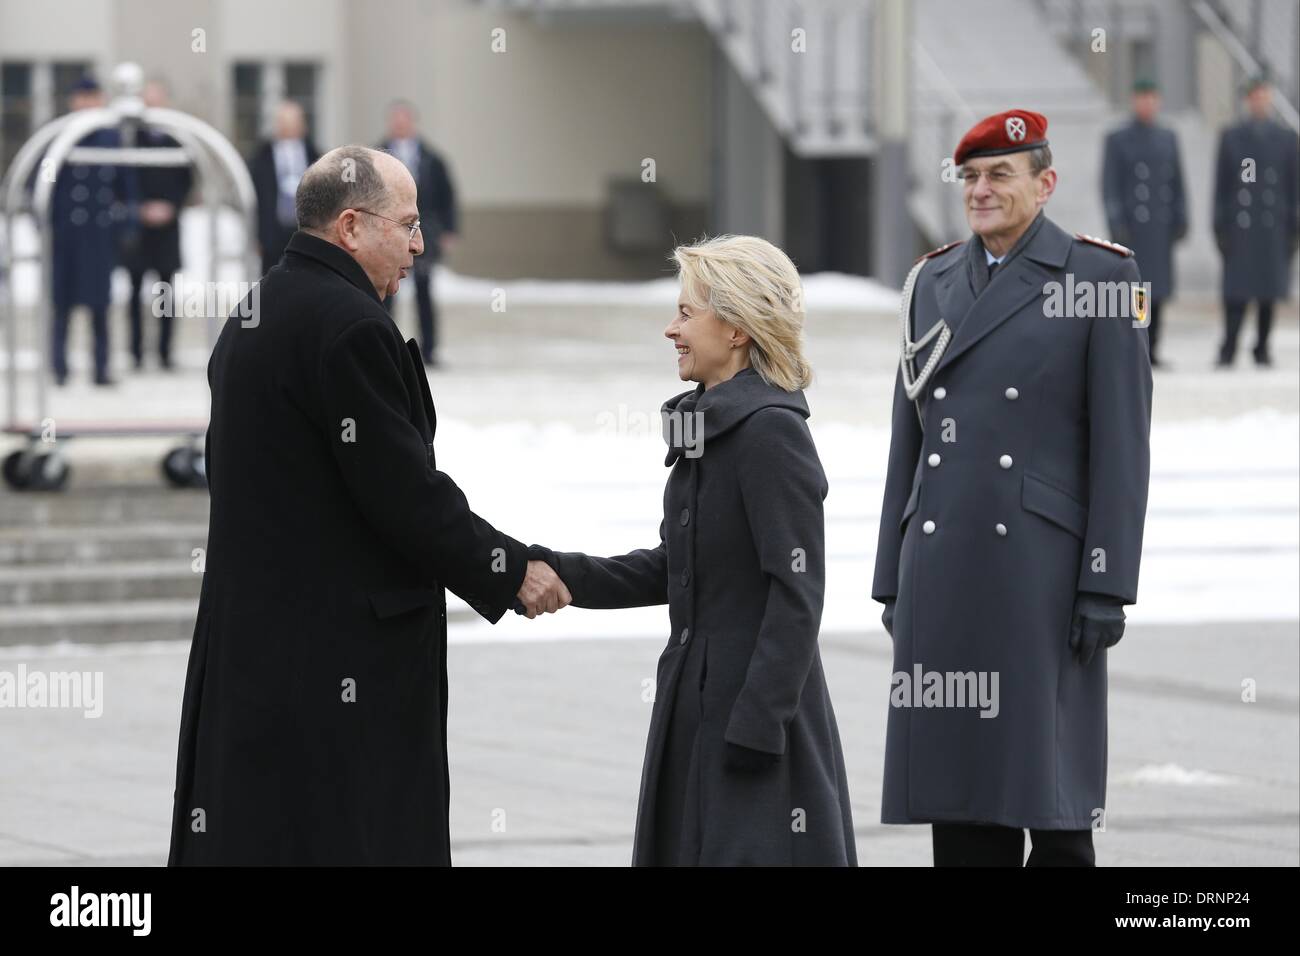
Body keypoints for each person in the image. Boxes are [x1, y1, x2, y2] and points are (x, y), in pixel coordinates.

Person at [168, 146, 569, 865]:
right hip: (340, 664)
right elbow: (404, 495)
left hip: (257, 651)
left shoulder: (259, 307)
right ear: (351, 227)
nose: (419, 244)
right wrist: (512, 569)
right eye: (407, 224)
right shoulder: (349, 326)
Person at [872, 109, 1152, 866]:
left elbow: (1123, 447)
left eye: (1000, 174)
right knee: (962, 813)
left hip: (1042, 578)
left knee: (1054, 811)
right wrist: (891, 577)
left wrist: (1107, 584)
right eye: (969, 177)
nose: (980, 190)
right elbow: (910, 439)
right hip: (944, 567)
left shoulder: (1100, 278)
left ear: (1045, 183)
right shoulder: (931, 280)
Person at [531, 236, 856, 866]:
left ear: (735, 328)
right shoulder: (709, 424)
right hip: (697, 705)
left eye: (686, 313)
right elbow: (674, 568)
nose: (670, 330)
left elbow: (797, 593)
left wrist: (760, 723)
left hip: (753, 721)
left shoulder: (769, 433)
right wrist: (560, 572)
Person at [49, 75, 137, 386]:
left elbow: (126, 185)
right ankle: (58, 368)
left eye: (93, 97)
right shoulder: (59, 135)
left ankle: (101, 368)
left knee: (100, 306)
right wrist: (48, 223)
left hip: (99, 236)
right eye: (82, 97)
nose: (87, 104)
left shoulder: (111, 138)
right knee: (61, 304)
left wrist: (127, 225)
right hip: (66, 236)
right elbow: (45, 185)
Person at [1212, 75, 1300, 368]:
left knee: (1268, 292)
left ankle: (1262, 347)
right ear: (1248, 100)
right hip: (1241, 226)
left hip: (1273, 225)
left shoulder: (1286, 138)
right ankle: (1229, 347)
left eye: (1264, 95)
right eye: (1255, 96)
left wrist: (1294, 227)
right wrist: (1219, 224)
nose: (1260, 100)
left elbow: (1292, 186)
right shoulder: (1233, 136)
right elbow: (1222, 186)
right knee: (1236, 292)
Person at [1102, 78, 1187, 368]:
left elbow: (1177, 182)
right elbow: (1110, 184)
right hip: (1133, 229)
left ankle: (1153, 349)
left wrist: (1181, 216)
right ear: (1133, 101)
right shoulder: (1118, 139)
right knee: (1138, 291)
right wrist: (1116, 221)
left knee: (1159, 290)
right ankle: (1136, 349)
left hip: (1159, 227)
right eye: (1142, 98)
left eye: (1152, 97)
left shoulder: (1168, 137)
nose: (1147, 104)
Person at [376, 100, 458, 367]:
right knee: (387, 291)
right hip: (388, 232)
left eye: (404, 120)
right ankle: (385, 346)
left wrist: (449, 229)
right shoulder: (377, 157)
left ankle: (429, 349)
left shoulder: (431, 158)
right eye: (395, 120)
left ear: (412, 123)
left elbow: (447, 195)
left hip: (424, 233)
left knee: (424, 291)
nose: (400, 125)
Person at [124, 78, 193, 371]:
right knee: (134, 291)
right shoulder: (130, 140)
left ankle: (165, 353)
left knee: (165, 293)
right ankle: (136, 354)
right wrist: (139, 208)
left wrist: (170, 207)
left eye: (156, 101)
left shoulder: (177, 141)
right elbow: (125, 180)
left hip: (167, 228)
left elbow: (187, 180)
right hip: (139, 230)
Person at [248, 101, 319, 277]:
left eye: (292, 121)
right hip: (273, 232)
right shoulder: (262, 156)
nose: (288, 127)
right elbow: (256, 196)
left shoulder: (314, 154)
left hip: (305, 230)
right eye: (283, 121)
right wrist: (258, 235)